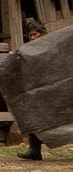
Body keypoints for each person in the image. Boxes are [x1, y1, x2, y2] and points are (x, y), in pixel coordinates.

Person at [18, 18, 51, 161]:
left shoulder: (53, 45)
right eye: (30, 35)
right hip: (38, 89)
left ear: (42, 33)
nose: (32, 38)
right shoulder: (29, 49)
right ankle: (34, 149)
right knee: (32, 115)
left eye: (35, 34)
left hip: (53, 89)